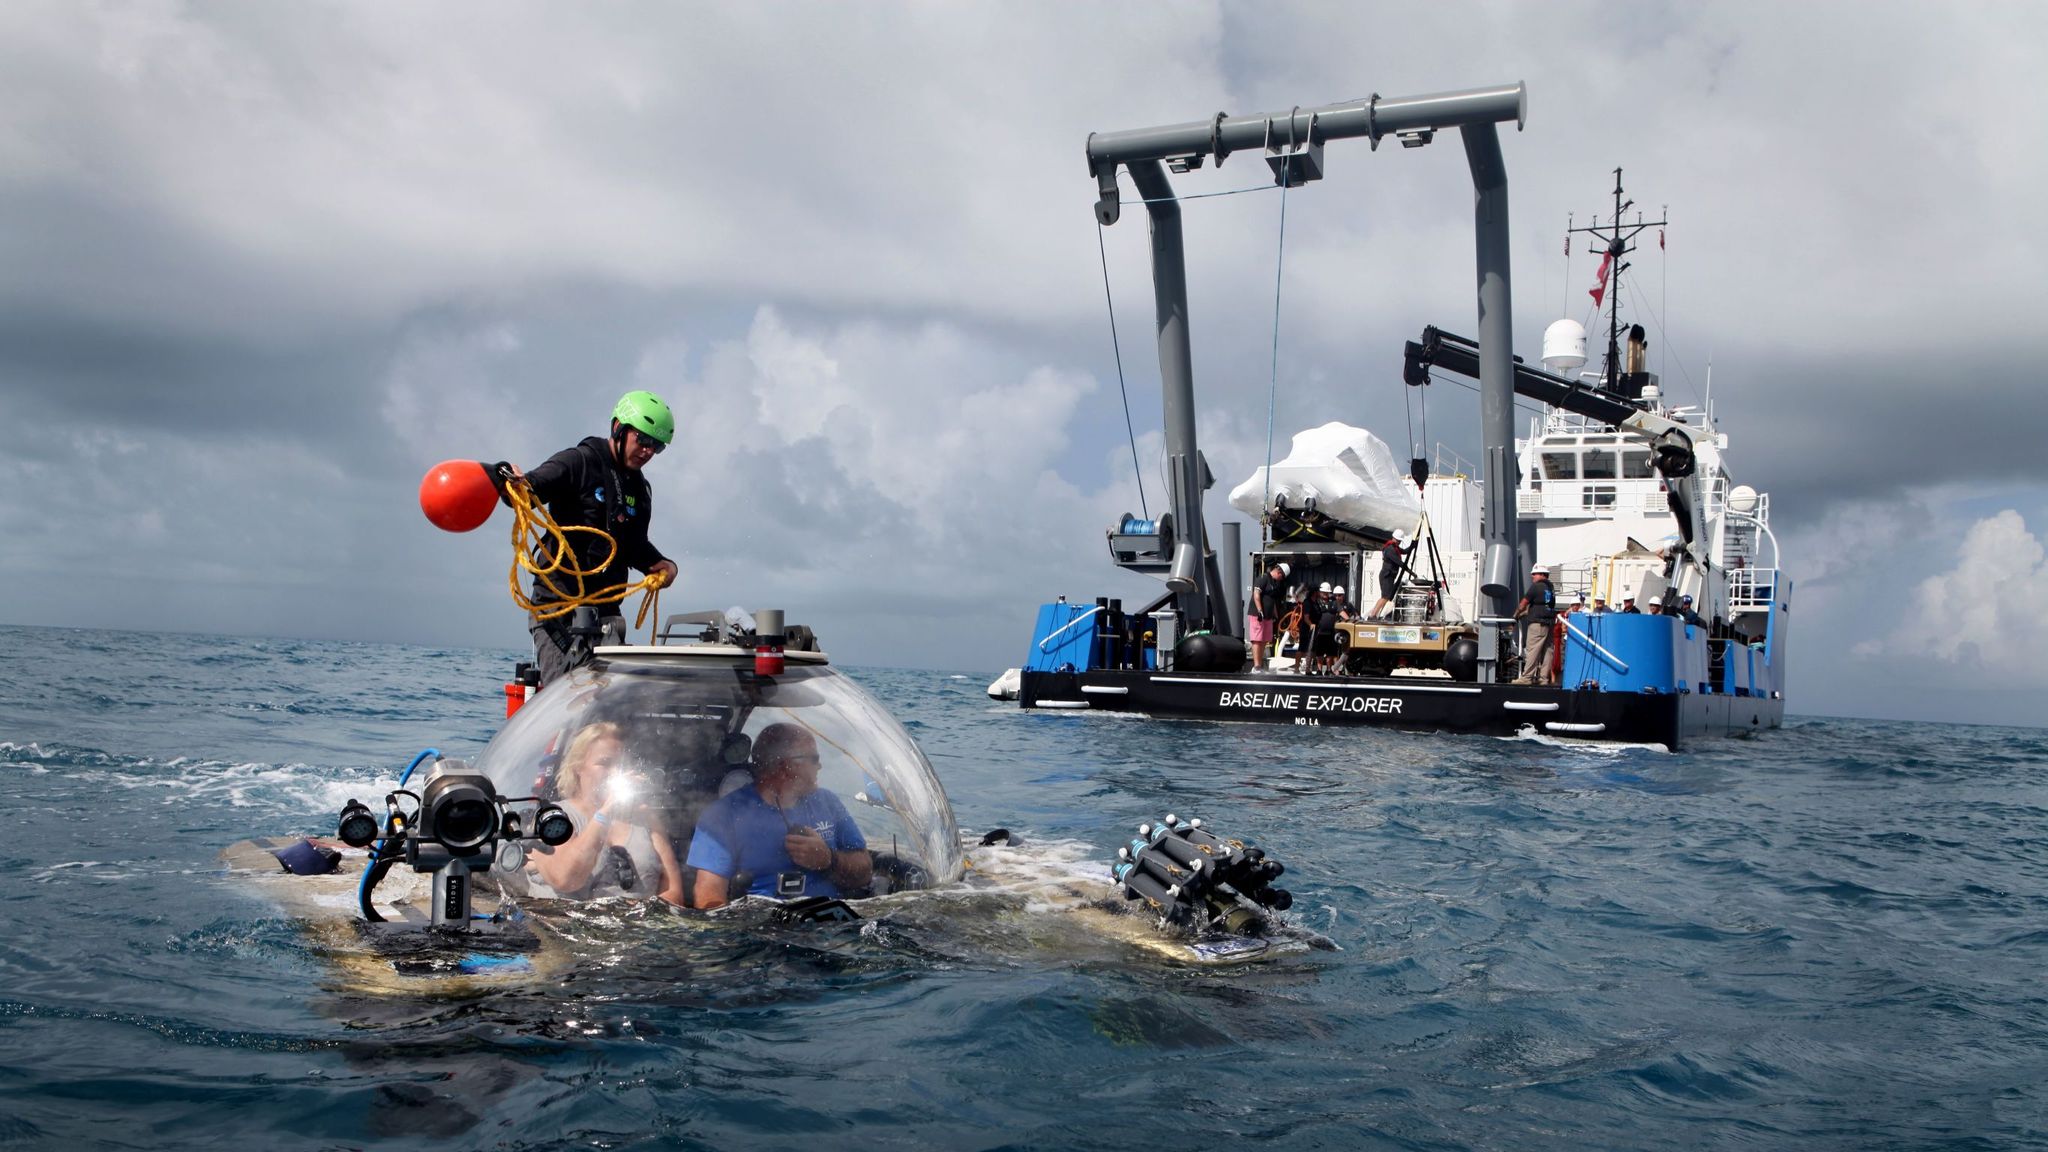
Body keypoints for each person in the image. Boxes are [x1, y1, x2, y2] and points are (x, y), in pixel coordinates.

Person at [499, 391, 681, 687]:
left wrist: (660, 564)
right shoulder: (578, 461)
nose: (648, 451)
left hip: (606, 614)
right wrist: (513, 481)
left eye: (657, 446)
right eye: (643, 441)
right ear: (618, 429)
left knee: (611, 704)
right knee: (568, 700)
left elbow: (632, 544)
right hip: (558, 610)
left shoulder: (640, 489)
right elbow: (530, 490)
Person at [688, 723, 872, 910]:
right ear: (788, 765)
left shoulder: (828, 802)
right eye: (814, 759)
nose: (820, 766)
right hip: (764, 928)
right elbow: (708, 894)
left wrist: (828, 860)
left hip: (832, 923)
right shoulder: (723, 815)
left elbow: (865, 872)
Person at [529, 722, 687, 904]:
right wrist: (604, 813)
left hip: (635, 927)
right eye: (605, 763)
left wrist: (640, 918)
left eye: (621, 765)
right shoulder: (552, 817)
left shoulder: (646, 819)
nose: (614, 772)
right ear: (578, 767)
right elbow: (565, 879)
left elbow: (673, 890)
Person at [1513, 564, 1558, 685]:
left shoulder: (1536, 587)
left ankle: (1527, 677)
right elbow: (1542, 604)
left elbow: (1523, 604)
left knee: (1533, 650)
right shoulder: (1550, 588)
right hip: (1549, 623)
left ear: (1542, 575)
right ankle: (1544, 679)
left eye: (1535, 573)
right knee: (1547, 651)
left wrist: (1516, 615)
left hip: (1537, 624)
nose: (1532, 576)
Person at [1247, 561, 1290, 671]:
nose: (1282, 579)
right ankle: (1256, 666)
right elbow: (1256, 594)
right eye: (1282, 576)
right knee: (1257, 639)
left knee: (1264, 639)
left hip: (1268, 616)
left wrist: (1275, 614)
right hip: (1258, 615)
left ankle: (1260, 665)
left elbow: (1272, 600)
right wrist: (1260, 611)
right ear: (1279, 572)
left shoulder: (1274, 583)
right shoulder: (1263, 578)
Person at [1312, 587, 1353, 675]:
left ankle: (1329, 670)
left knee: (1330, 653)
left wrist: (1349, 621)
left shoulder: (1334, 603)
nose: (1325, 594)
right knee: (1319, 653)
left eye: (1327, 592)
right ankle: (1319, 671)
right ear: (1320, 592)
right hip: (1320, 632)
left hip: (1331, 633)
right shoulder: (1316, 603)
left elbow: (1342, 613)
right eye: (1323, 592)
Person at [1368, 530, 1409, 621]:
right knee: (1385, 597)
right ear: (1394, 538)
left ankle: (1374, 614)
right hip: (1387, 575)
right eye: (1398, 540)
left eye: (1400, 541)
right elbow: (1399, 562)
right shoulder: (1390, 549)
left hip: (1389, 576)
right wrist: (1410, 571)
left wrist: (1412, 546)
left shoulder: (1395, 548)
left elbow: (1405, 551)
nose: (1399, 542)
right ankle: (1372, 615)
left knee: (1385, 597)